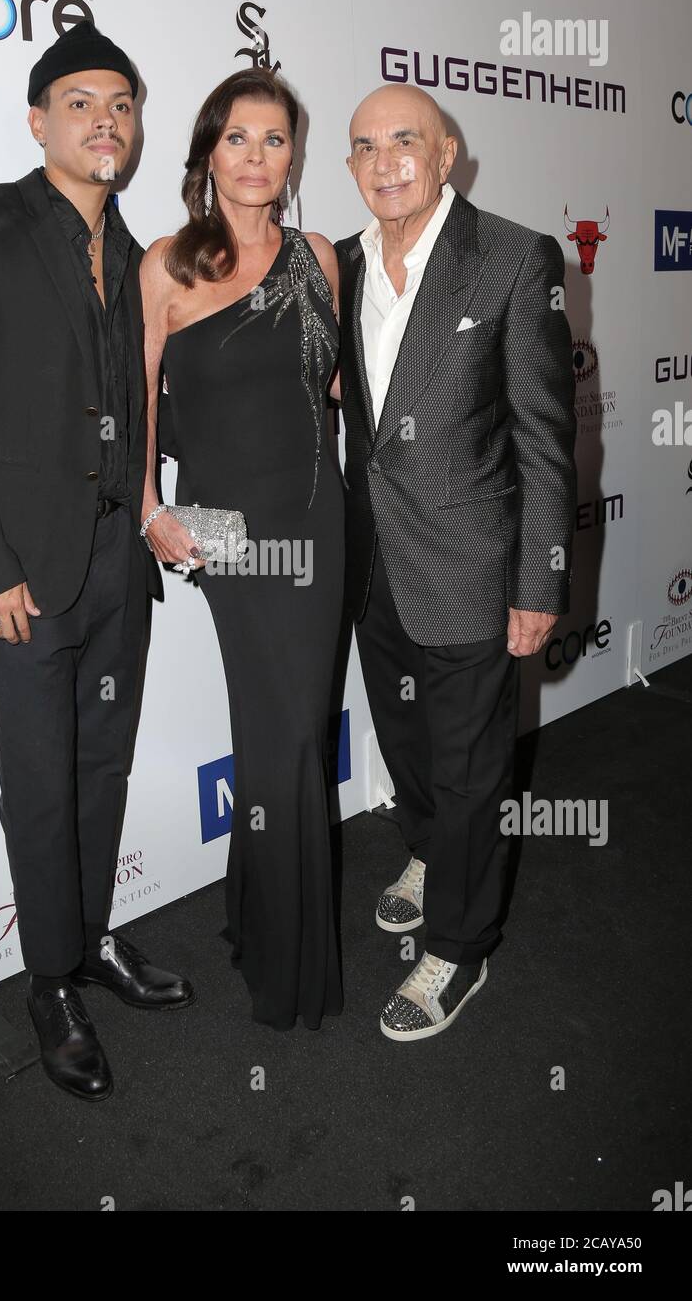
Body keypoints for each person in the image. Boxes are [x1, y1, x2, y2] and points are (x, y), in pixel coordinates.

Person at [0, 20, 194, 1104]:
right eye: (80, 102)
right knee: (38, 785)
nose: (103, 120)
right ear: (39, 121)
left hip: (119, 566)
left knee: (98, 770)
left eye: (120, 104)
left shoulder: (137, 252)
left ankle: (88, 942)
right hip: (19, 571)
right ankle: (49, 985)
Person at [335, 83, 576, 1041]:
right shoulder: (340, 265)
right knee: (407, 746)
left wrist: (539, 581)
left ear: (448, 154)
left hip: (473, 563)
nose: (385, 159)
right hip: (372, 562)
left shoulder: (514, 257)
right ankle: (433, 850)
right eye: (364, 146)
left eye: (406, 140)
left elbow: (548, 440)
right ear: (348, 166)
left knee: (476, 770)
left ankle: (459, 950)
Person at [139, 68, 345, 1031]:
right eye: (237, 138)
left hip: (317, 521)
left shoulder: (316, 256)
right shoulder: (166, 265)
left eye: (273, 139)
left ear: (292, 155)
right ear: (207, 152)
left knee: (288, 738)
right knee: (282, 738)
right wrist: (148, 509)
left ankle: (261, 920)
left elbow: (331, 390)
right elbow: (139, 407)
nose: (256, 156)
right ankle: (282, 955)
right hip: (224, 530)